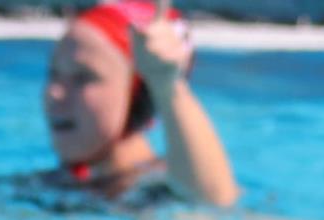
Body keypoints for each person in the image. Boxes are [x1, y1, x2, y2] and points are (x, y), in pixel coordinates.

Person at [39, 0, 238, 207]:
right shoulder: (51, 185)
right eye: (53, 74)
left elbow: (214, 205)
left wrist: (165, 84)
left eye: (83, 77)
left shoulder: (157, 189)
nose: (54, 93)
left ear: (141, 93)